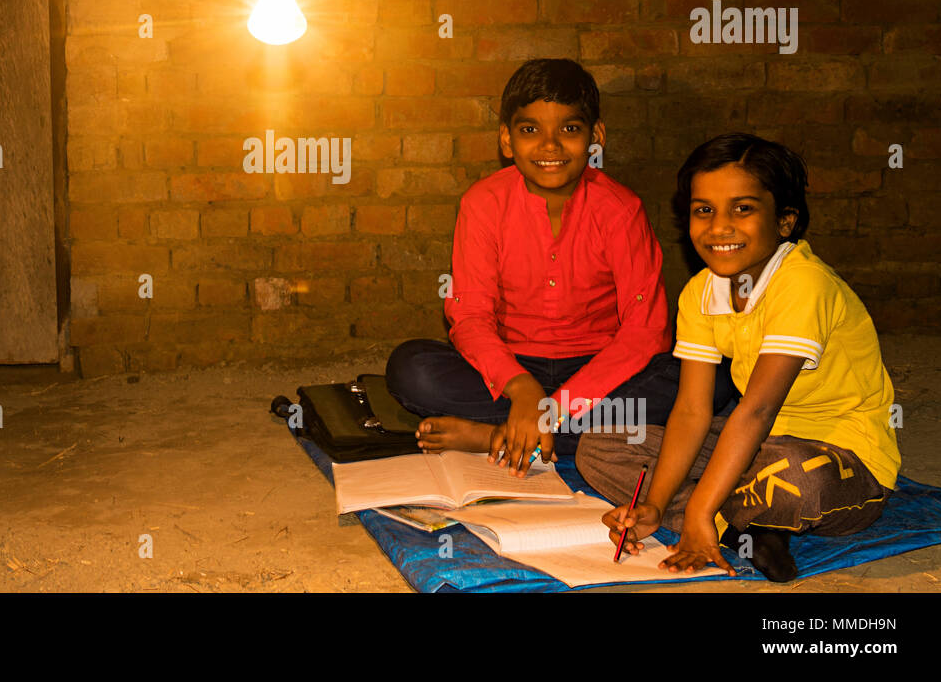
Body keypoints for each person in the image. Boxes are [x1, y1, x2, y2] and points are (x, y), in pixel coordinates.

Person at [577, 133, 900, 582]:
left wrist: (697, 506)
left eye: (742, 209)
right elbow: (691, 410)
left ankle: (711, 516)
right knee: (600, 447)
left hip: (839, 453)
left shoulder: (802, 284)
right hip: (756, 449)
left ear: (785, 221)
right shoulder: (700, 292)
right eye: (703, 210)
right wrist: (652, 502)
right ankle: (740, 523)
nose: (719, 226)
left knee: (800, 483)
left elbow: (757, 408)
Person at [385, 58, 734, 473]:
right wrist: (522, 389)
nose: (550, 146)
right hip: (511, 367)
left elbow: (644, 332)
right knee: (411, 369)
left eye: (569, 129)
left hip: (601, 372)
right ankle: (555, 431)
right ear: (507, 140)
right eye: (530, 130)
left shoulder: (620, 210)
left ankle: (493, 435)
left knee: (714, 377)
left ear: (595, 136)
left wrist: (556, 407)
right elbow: (470, 315)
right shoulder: (483, 204)